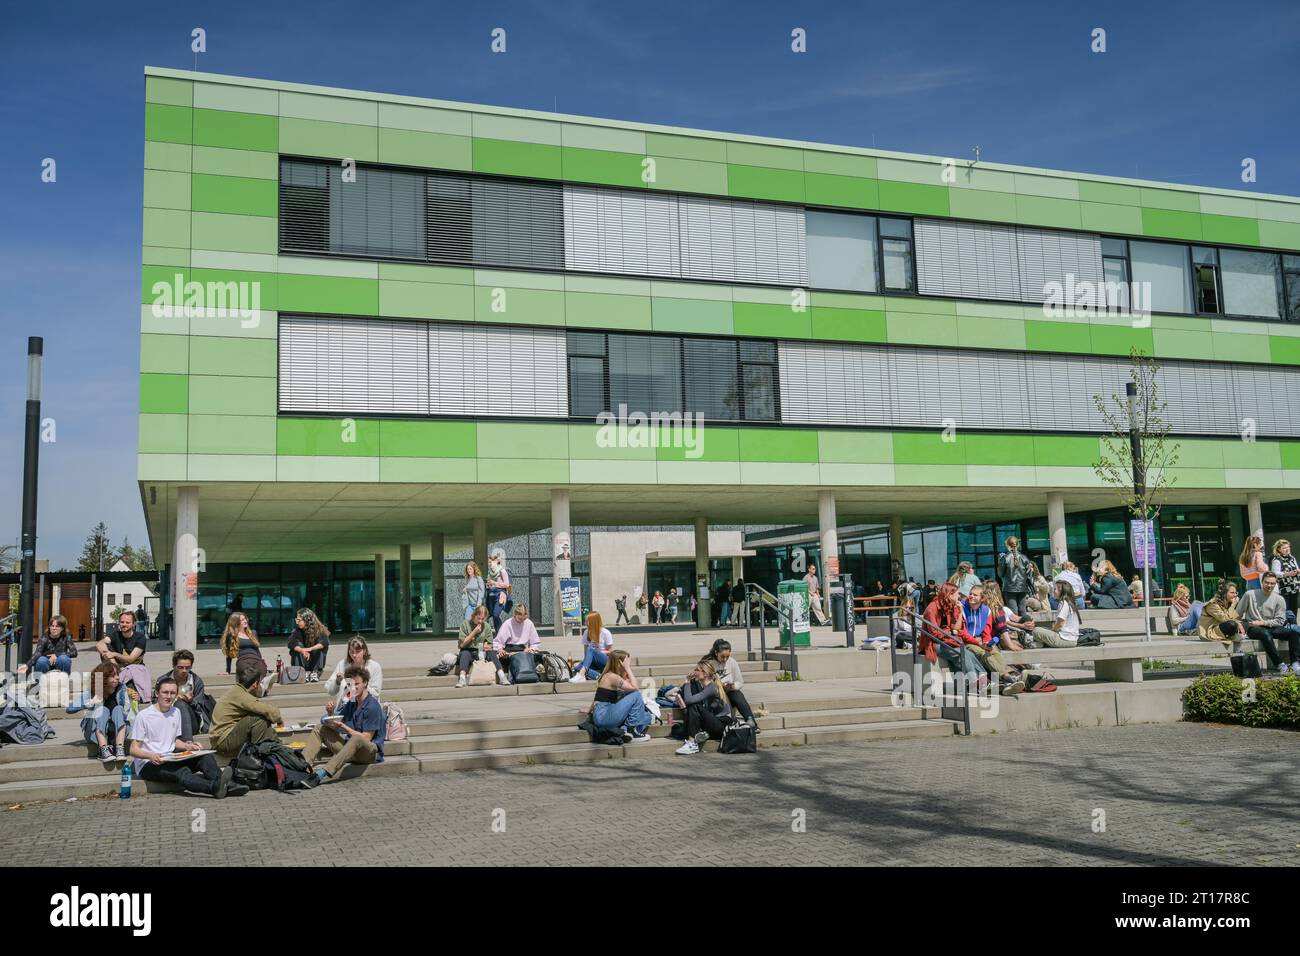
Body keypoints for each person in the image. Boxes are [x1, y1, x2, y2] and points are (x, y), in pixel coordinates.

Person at [130, 677, 241, 798]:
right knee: (182, 772)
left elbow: (174, 741)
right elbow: (133, 749)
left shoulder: (176, 712)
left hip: (170, 758)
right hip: (148, 764)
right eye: (165, 692)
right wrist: (151, 755)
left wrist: (188, 746)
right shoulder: (144, 716)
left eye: (172, 693)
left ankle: (224, 784)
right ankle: (215, 787)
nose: (169, 696)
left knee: (205, 756)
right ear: (157, 693)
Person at [303, 666, 385, 785]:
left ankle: (321, 774)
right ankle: (302, 767)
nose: (354, 687)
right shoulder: (352, 702)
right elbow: (336, 721)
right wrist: (330, 712)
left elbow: (366, 738)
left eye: (357, 684)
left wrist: (345, 727)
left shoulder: (372, 706)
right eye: (351, 684)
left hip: (369, 753)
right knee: (319, 728)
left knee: (357, 738)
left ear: (365, 683)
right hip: (350, 749)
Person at [209, 662, 283, 760]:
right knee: (259, 719)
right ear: (256, 684)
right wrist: (279, 721)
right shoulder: (241, 695)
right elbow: (271, 711)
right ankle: (258, 755)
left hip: (222, 739)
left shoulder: (237, 690)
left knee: (259, 718)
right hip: (223, 743)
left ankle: (275, 747)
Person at [961, 585, 1025, 695]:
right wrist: (979, 644)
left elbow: (987, 631)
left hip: (981, 639)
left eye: (975, 595)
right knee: (983, 653)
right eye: (970, 593)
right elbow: (963, 633)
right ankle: (1007, 677)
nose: (971, 596)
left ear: (982, 598)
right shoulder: (962, 607)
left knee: (995, 652)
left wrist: (986, 642)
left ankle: (1007, 682)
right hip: (967, 641)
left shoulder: (987, 610)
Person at [918, 582, 984, 684]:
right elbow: (934, 633)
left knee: (969, 654)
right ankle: (977, 682)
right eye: (957, 594)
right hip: (932, 643)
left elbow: (956, 629)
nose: (959, 596)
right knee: (960, 653)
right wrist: (950, 632)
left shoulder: (950, 606)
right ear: (949, 594)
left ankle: (982, 680)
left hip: (947, 640)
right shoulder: (932, 608)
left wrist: (961, 612)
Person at [67, 662, 130, 761]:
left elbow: (128, 712)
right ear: (104, 678)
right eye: (113, 675)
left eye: (118, 674)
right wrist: (90, 703)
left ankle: (119, 748)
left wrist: (130, 703)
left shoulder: (121, 688)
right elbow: (69, 709)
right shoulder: (94, 691)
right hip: (95, 732)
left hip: (116, 731)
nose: (117, 678)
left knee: (119, 709)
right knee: (102, 710)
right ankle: (103, 749)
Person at [1236, 572, 1298, 673]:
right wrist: (1239, 625)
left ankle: (1296, 663)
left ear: (1276, 584)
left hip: (1269, 626)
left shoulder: (1279, 599)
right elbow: (1237, 613)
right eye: (1267, 582)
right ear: (1262, 582)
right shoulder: (1249, 595)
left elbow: (1280, 621)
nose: (1269, 585)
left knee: (1293, 633)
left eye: (1272, 583)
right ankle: (1280, 664)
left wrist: (1262, 623)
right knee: (1265, 634)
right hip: (1253, 628)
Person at [589, 649, 652, 743]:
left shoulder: (610, 675)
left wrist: (589, 710)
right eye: (627, 663)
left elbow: (598, 697)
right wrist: (628, 669)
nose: (628, 665)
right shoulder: (612, 677)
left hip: (604, 714)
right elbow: (635, 688)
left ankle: (624, 731)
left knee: (647, 716)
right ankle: (631, 731)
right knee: (636, 695)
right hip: (604, 716)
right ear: (619, 663)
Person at [674, 659, 731, 755]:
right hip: (714, 723)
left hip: (722, 725)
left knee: (695, 707)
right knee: (677, 729)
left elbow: (689, 700)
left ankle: (692, 744)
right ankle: (699, 736)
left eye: (697, 670)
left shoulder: (711, 687)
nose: (694, 672)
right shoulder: (704, 687)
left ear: (705, 674)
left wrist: (687, 681)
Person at [157, 649, 213, 738]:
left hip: (192, 720)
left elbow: (200, 707)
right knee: (178, 703)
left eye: (187, 668)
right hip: (167, 717)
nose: (184, 671)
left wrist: (191, 701)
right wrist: (173, 699)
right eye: (180, 667)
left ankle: (187, 741)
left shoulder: (196, 681)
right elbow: (155, 703)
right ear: (173, 665)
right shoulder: (163, 680)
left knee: (181, 704)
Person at [324, 636, 385, 713]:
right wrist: (337, 681)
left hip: (366, 707)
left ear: (365, 651)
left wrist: (359, 685)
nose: (354, 655)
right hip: (345, 707)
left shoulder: (374, 666)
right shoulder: (343, 664)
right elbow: (330, 691)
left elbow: (376, 693)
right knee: (324, 719)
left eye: (357, 651)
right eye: (351, 652)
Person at [707, 639, 757, 727]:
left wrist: (734, 686)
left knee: (737, 695)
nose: (725, 659)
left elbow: (740, 681)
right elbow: (704, 683)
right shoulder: (709, 663)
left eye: (728, 656)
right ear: (716, 653)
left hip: (730, 692)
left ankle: (751, 722)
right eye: (722, 656)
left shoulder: (732, 662)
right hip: (715, 694)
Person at [455, 605, 508, 687]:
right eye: (478, 618)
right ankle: (462, 679)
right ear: (474, 616)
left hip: (481, 652)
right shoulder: (465, 624)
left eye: (482, 619)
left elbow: (490, 644)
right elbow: (462, 644)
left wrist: (487, 646)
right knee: (465, 653)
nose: (480, 621)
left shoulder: (486, 626)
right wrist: (474, 632)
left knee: (492, 653)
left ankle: (502, 676)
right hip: (468, 650)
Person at [493, 603, 541, 675]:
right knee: (499, 658)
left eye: (524, 618)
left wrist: (531, 649)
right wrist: (500, 649)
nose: (522, 620)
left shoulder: (529, 623)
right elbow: (498, 641)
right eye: (519, 618)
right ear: (515, 615)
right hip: (510, 650)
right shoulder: (508, 623)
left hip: (524, 650)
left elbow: (535, 642)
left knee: (540, 656)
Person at [1031, 581, 1082, 647]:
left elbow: (1060, 624)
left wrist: (1053, 631)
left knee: (1036, 630)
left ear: (1063, 591)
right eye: (1055, 588)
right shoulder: (1070, 602)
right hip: (1071, 639)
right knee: (1044, 629)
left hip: (1065, 639)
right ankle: (1041, 644)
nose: (1055, 591)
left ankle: (1040, 644)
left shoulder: (1063, 603)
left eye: (1057, 589)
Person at [288, 608, 331, 681]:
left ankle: (315, 673)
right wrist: (302, 650)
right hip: (303, 661)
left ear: (307, 620)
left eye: (299, 620)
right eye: (296, 619)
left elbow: (325, 642)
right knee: (297, 646)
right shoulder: (297, 631)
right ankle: (301, 672)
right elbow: (291, 643)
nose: (297, 622)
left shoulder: (319, 630)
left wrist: (310, 649)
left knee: (320, 648)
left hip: (314, 662)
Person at [569, 611, 613, 682]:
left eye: (587, 621)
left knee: (591, 649)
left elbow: (610, 652)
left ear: (594, 622)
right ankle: (598, 676)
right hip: (593, 661)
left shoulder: (605, 632)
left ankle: (581, 675)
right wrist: (585, 661)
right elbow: (585, 652)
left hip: (605, 660)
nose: (586, 623)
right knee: (577, 666)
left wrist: (599, 652)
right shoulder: (586, 632)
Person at [1197, 579, 1242, 648]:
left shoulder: (1229, 603)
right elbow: (1226, 619)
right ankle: (1234, 635)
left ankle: (1234, 635)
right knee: (1232, 624)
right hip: (1211, 632)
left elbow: (1236, 618)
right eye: (1232, 593)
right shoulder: (1212, 604)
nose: (1235, 595)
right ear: (1224, 594)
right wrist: (1233, 605)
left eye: (1236, 593)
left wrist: (1239, 623)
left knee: (1246, 622)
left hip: (1223, 626)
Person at [996, 537, 1033, 616]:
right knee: (1022, 610)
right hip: (1022, 587)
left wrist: (999, 562)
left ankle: (1016, 627)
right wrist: (1032, 589)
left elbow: (1000, 574)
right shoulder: (1024, 558)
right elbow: (1029, 575)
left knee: (1013, 611)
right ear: (1018, 545)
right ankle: (1025, 626)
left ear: (1007, 545)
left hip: (1009, 588)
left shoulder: (1004, 558)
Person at [220, 612, 262, 676]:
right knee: (248, 671)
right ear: (235, 623)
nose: (245, 621)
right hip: (243, 660)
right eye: (242, 620)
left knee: (259, 668)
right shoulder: (231, 635)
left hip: (255, 660)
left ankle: (261, 680)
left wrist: (261, 662)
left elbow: (257, 651)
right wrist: (228, 670)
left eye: (245, 619)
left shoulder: (253, 633)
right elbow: (229, 654)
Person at [1269, 539, 1300, 618]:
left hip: (1294, 586)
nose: (1287, 549)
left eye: (1288, 547)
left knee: (1294, 608)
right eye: (1284, 548)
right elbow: (1275, 573)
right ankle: (1287, 626)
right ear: (1279, 549)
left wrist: (1297, 571)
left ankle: (1294, 626)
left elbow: (1296, 568)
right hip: (1284, 588)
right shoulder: (1277, 560)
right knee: (1286, 609)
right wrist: (1287, 574)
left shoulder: (1292, 558)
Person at [485, 549, 513, 630]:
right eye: (488, 562)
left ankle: (501, 632)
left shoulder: (502, 571)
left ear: (496, 561)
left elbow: (507, 585)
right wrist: (488, 584)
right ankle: (497, 634)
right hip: (491, 596)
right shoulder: (490, 572)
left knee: (496, 614)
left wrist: (494, 583)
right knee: (491, 615)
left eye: (491, 562)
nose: (489, 564)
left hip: (500, 595)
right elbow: (489, 583)